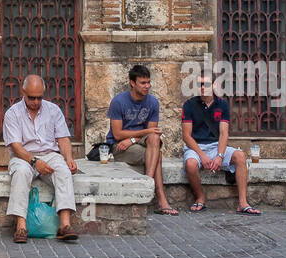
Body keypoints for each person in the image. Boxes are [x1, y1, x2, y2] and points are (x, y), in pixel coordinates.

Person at [3, 74, 79, 242]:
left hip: (49, 154)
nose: (36, 102)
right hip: (22, 156)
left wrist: (68, 158)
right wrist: (34, 162)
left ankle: (64, 225)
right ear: (23, 92)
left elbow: (63, 139)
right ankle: (21, 227)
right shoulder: (12, 114)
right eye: (32, 98)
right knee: (21, 173)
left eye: (39, 97)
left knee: (63, 171)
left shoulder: (53, 110)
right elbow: (15, 146)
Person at [181, 73, 259, 215]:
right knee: (191, 164)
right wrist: (202, 156)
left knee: (240, 156)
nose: (203, 87)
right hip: (196, 147)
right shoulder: (189, 105)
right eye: (200, 84)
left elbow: (224, 134)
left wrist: (220, 156)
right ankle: (200, 198)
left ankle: (242, 203)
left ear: (215, 86)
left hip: (216, 145)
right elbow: (186, 136)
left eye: (207, 84)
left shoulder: (222, 105)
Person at [106, 64, 177, 215]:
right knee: (156, 155)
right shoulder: (118, 102)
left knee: (155, 139)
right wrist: (145, 132)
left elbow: (152, 135)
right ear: (133, 83)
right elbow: (117, 134)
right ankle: (161, 199)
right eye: (143, 83)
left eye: (148, 82)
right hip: (119, 147)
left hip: (134, 143)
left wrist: (132, 140)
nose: (147, 86)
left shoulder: (153, 102)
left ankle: (147, 182)